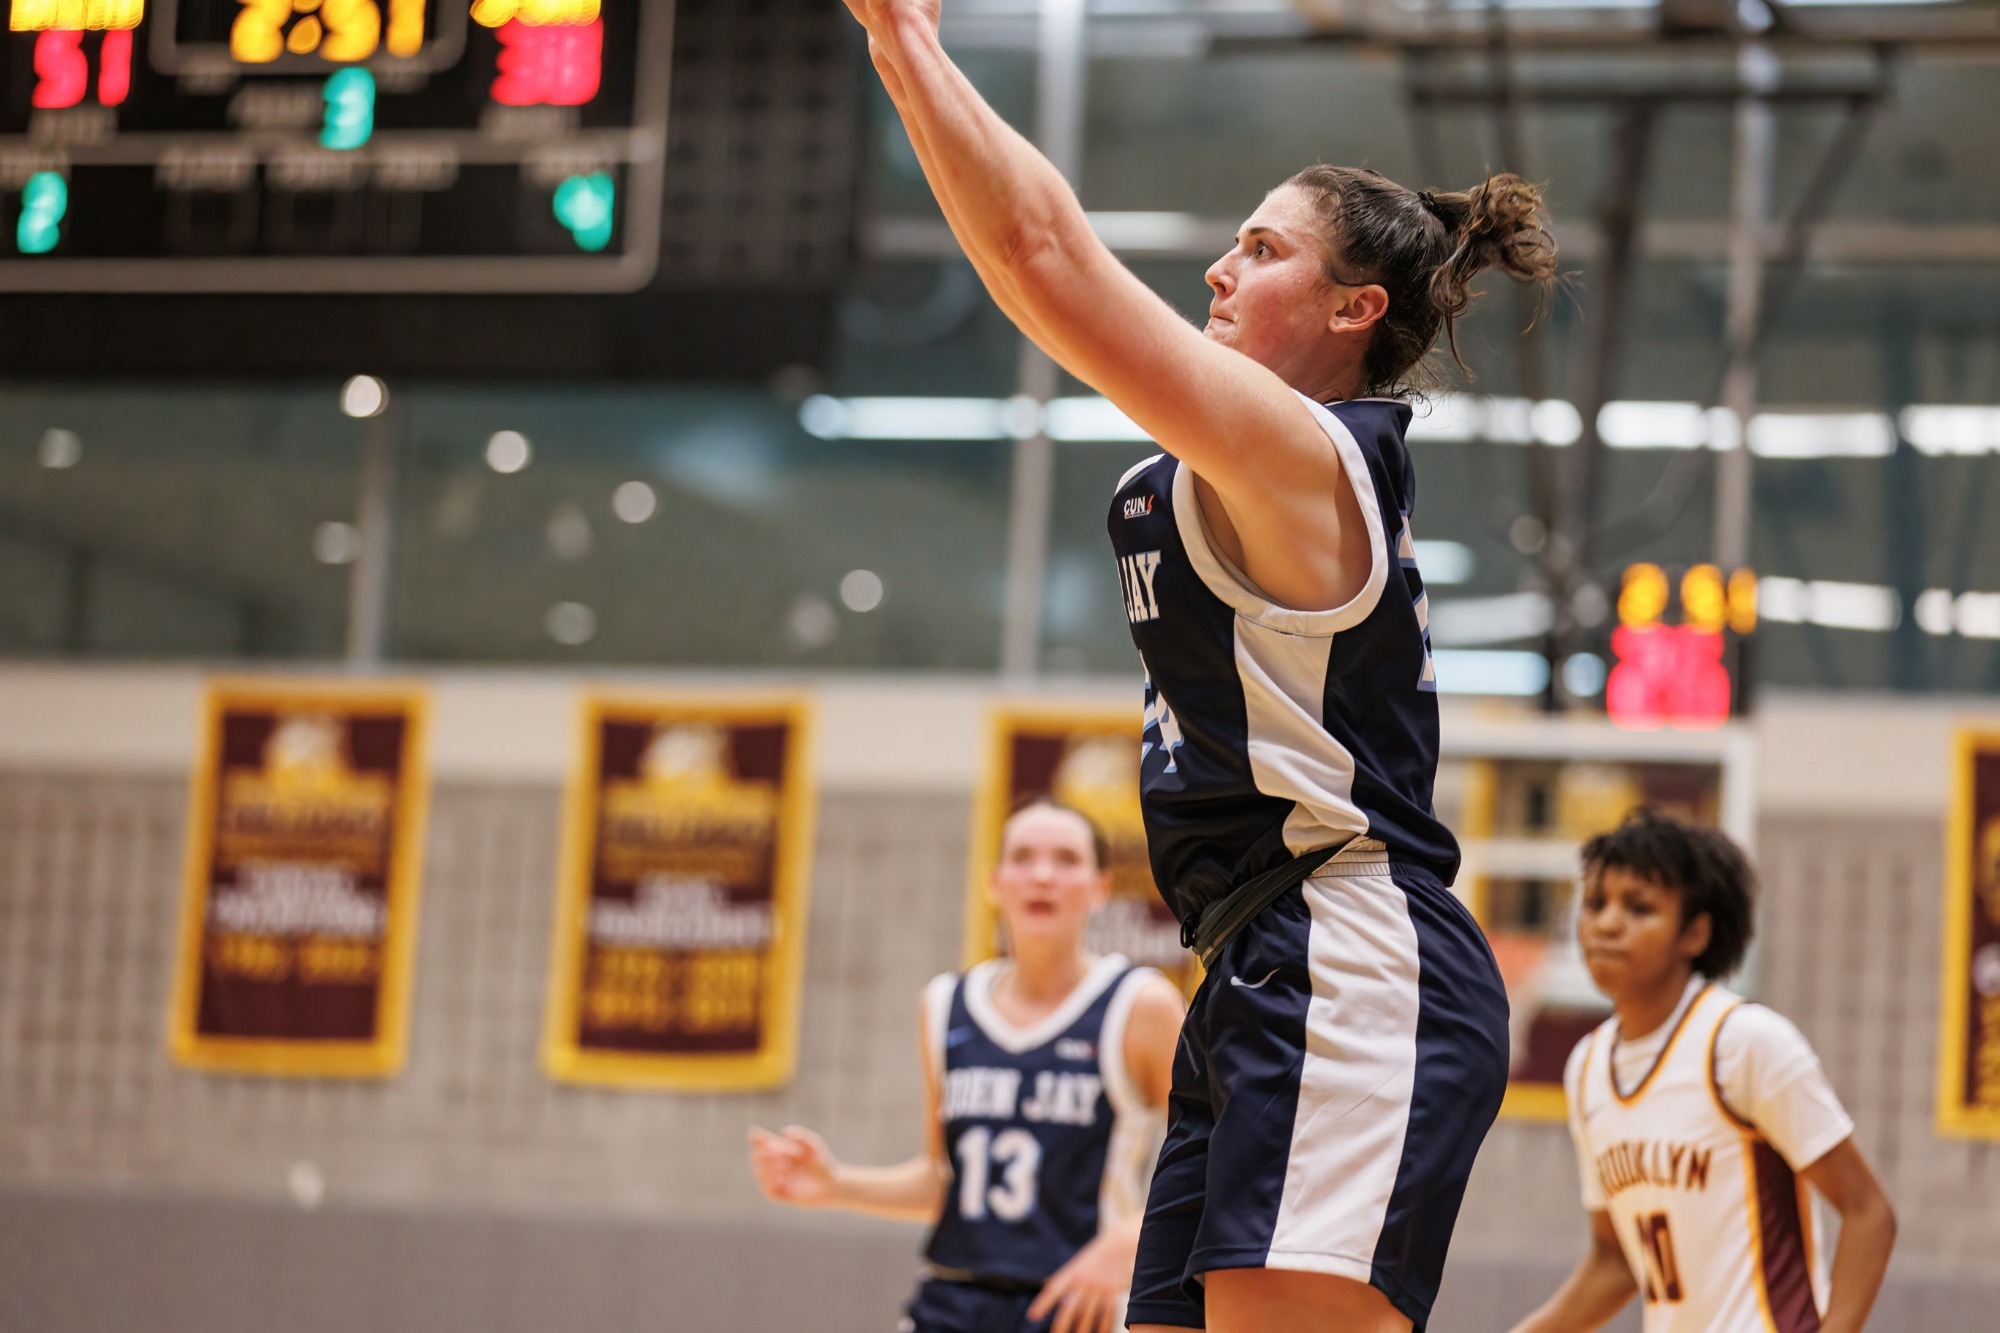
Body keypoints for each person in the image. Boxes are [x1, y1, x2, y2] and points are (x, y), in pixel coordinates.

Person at [840, 2, 1556, 1330]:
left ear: (1356, 308)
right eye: (1234, 240)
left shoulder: (1310, 456)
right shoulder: (1232, 459)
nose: (1223, 269)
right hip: (1250, 957)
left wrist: (907, 38)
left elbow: (1044, 254)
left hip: (1352, 949)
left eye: (1263, 247)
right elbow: (1016, 275)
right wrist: (897, 53)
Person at [750, 799, 1185, 1333]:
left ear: (1100, 887)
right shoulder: (944, 1004)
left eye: (1066, 860)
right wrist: (836, 1184)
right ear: (994, 882)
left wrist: (1129, 1242)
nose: (1042, 875)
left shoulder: (1140, 1005)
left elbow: (1209, 1158)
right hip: (954, 1300)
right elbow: (944, 1178)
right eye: (1023, 858)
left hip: (1074, 1307)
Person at [1508, 809, 1897, 1333]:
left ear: (1694, 933)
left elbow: (1869, 1213)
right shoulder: (1587, 1067)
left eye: (1639, 907)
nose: (1606, 923)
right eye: (1596, 904)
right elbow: (1615, 1259)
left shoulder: (1743, 1043)